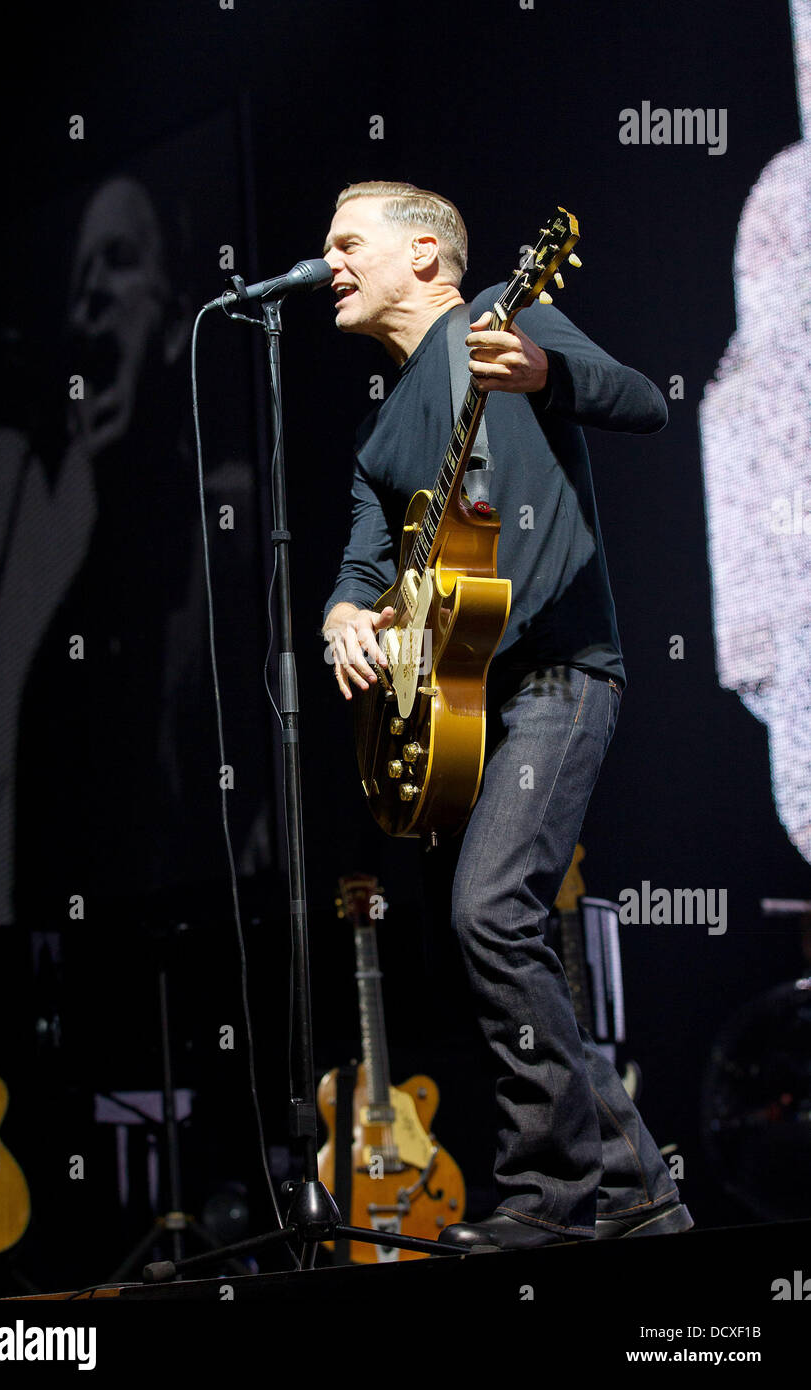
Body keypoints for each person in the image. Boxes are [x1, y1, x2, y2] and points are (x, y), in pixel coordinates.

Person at [320, 180, 692, 1249]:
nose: (330, 266)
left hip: (559, 673)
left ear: (425, 255)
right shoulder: (378, 429)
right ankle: (615, 1190)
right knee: (483, 935)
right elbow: (355, 566)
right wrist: (345, 616)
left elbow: (642, 400)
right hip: (452, 713)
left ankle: (565, 1194)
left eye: (349, 245)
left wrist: (544, 370)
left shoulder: (501, 312)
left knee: (488, 912)